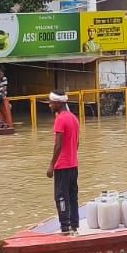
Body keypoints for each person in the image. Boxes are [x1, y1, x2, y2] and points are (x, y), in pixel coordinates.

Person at [46, 91, 81, 235]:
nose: (49, 105)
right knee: (73, 196)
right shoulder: (74, 118)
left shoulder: (60, 119)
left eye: (51, 102)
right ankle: (74, 226)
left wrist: (51, 165)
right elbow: (77, 142)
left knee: (61, 197)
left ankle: (65, 228)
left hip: (63, 166)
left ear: (59, 103)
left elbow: (58, 144)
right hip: (74, 165)